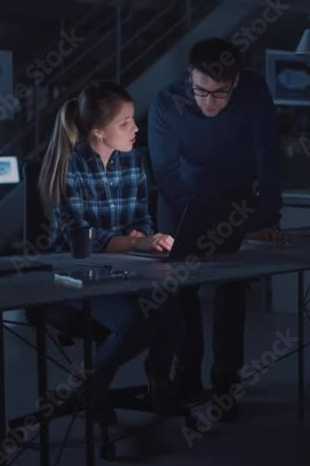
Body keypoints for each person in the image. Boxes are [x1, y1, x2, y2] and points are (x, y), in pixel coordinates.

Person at [148, 38, 283, 420]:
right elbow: (165, 173)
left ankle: (226, 382)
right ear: (189, 77)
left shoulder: (254, 91)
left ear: (236, 81)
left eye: (220, 94)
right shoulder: (166, 102)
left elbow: (267, 155)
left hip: (234, 196)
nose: (209, 102)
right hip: (180, 199)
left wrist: (269, 213)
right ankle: (186, 377)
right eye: (201, 91)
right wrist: (198, 217)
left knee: (231, 292)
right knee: (182, 290)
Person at [39, 81, 182, 418]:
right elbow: (80, 237)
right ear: (100, 133)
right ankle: (91, 390)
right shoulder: (72, 164)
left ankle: (157, 379)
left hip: (123, 268)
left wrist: (141, 233)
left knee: (173, 317)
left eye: (133, 119)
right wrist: (135, 241)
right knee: (134, 324)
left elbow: (142, 218)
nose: (135, 128)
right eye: (124, 123)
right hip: (73, 273)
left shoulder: (132, 161)